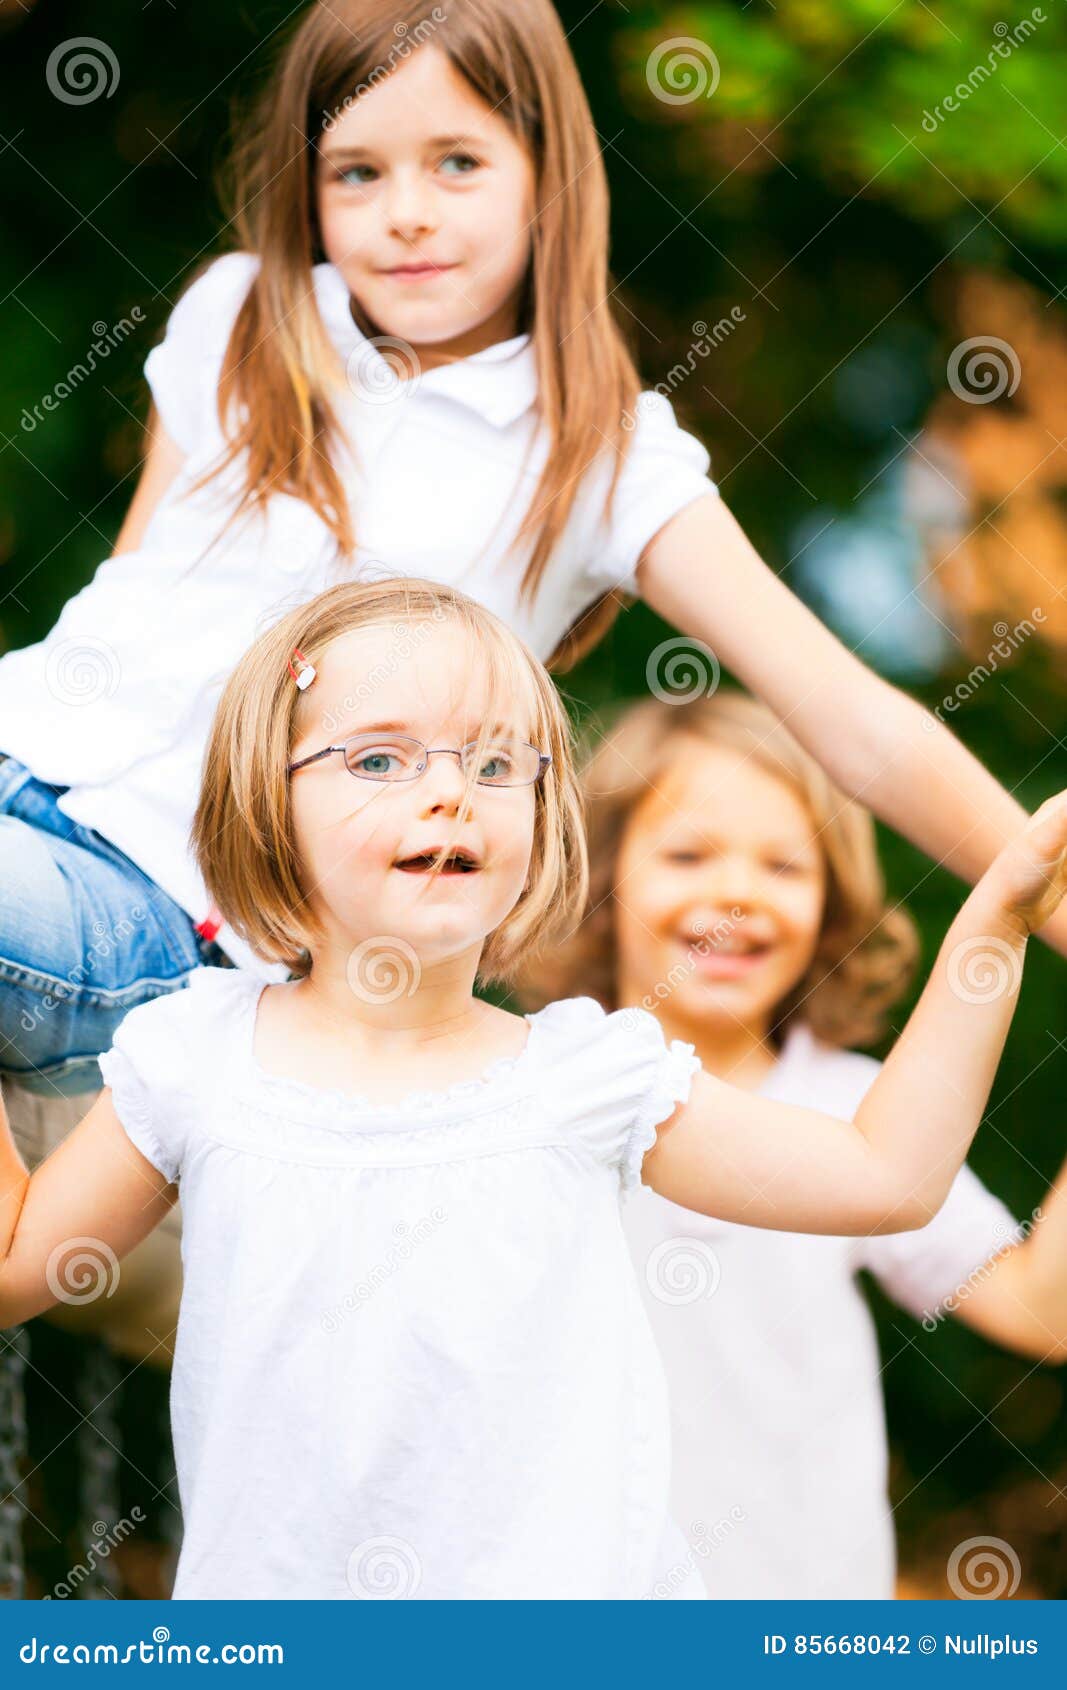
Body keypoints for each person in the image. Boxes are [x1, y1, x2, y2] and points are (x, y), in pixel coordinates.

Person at [2, 0, 1065, 1103]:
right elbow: (119, 597)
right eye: (355, 173)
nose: (403, 214)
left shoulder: (596, 454)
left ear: (546, 174)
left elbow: (854, 722)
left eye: (456, 161)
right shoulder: (241, 315)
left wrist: (1049, 895)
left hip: (165, 913)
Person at [1, 578, 1066, 1600]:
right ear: (263, 805)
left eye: (497, 763)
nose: (448, 789)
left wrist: (993, 923)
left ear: (544, 826)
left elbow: (885, 1176)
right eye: (379, 756)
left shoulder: (588, 1076)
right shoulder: (193, 1057)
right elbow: (16, 1269)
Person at [517, 690, 1067, 1599]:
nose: (735, 893)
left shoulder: (865, 1114)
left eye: (782, 864)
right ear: (600, 880)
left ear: (830, 902)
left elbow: (1040, 1311)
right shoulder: (533, 1090)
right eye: (688, 853)